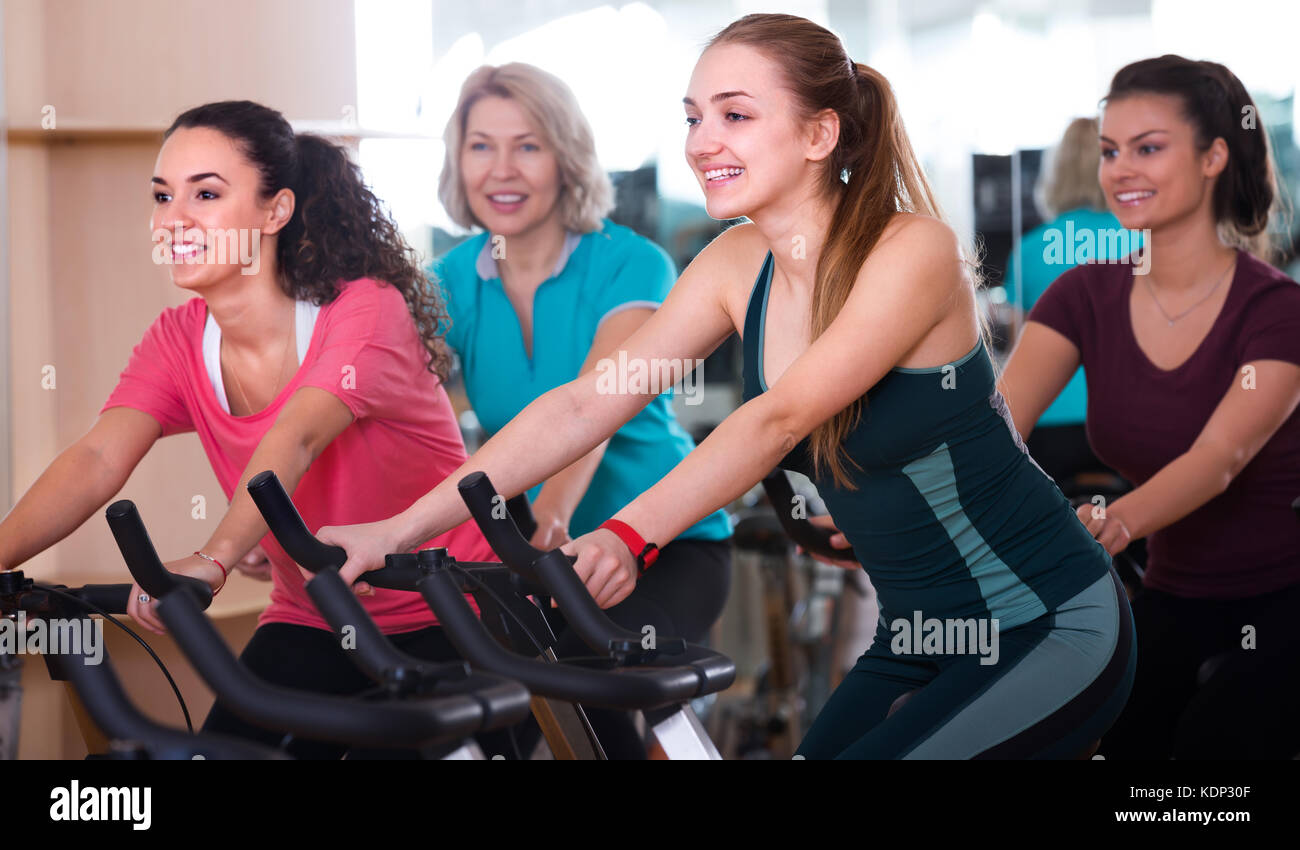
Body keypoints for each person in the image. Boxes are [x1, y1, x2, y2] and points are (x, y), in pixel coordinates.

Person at [320, 13, 1135, 759]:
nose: (701, 140)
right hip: (919, 636)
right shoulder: (734, 266)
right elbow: (585, 402)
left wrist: (631, 533)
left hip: (1046, 618)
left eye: (735, 115)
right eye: (692, 116)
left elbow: (778, 419)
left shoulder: (911, 249)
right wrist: (398, 530)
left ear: (821, 132)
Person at [0, 100, 500, 759]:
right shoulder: (179, 341)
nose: (172, 218)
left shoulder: (363, 310)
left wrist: (215, 558)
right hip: (313, 615)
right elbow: (97, 456)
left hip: (452, 613)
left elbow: (296, 438)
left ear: (275, 211)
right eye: (162, 195)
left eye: (205, 193)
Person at [999, 55, 1300, 759]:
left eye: (1148, 148)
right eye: (1109, 151)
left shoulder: (1277, 310)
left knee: (1207, 752)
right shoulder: (1081, 296)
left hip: (1283, 603)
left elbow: (1218, 460)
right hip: (1171, 596)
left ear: (1214, 157)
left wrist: (1115, 520)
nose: (1121, 169)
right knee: (1121, 745)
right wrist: (894, 500)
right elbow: (993, 426)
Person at [431, 63, 733, 758]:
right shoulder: (448, 282)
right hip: (536, 555)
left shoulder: (631, 262)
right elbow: (410, 416)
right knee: (486, 711)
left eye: (528, 145)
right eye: (481, 146)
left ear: (565, 156)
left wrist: (554, 521)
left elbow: (593, 408)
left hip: (664, 542)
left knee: (592, 689)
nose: (501, 169)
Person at [1005, 117, 1133, 485]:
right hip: (1126, 422)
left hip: (1046, 424)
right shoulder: (1144, 242)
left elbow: (1019, 346)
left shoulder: (1029, 248)